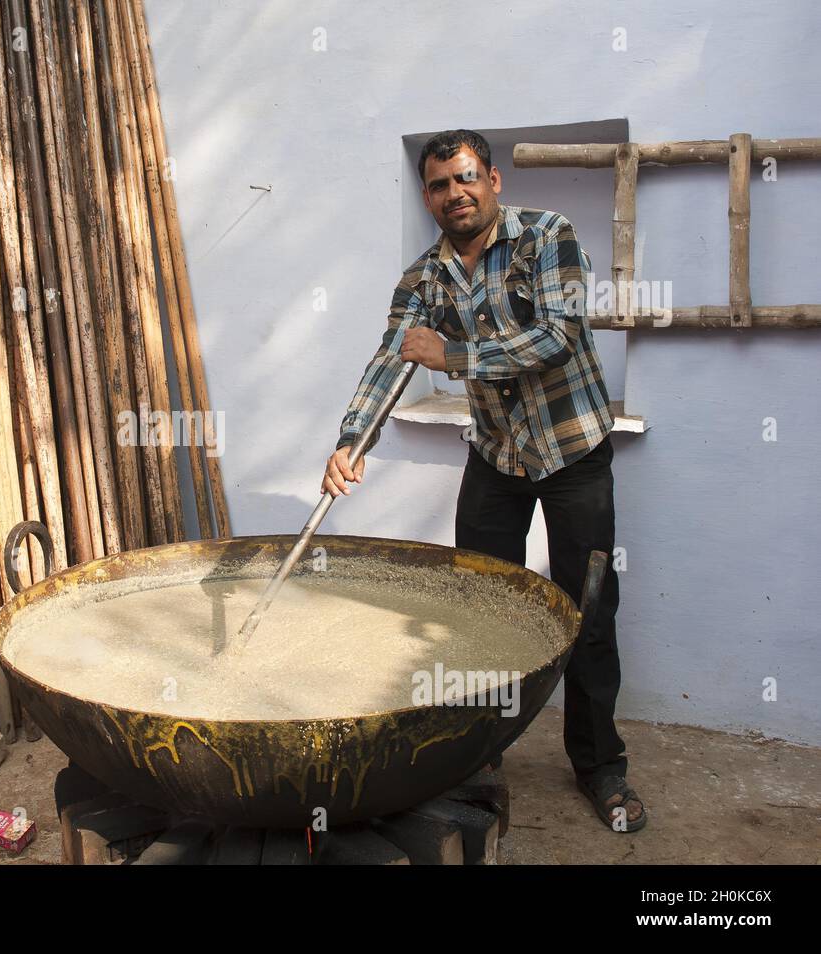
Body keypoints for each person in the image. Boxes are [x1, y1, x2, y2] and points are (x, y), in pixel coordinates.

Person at [323, 129, 645, 832]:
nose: (453, 194)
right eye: (438, 185)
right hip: (496, 460)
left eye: (465, 178)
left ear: (492, 181)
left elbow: (558, 337)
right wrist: (353, 440)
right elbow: (391, 361)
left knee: (587, 613)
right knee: (476, 612)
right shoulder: (422, 279)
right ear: (428, 196)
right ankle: (479, 760)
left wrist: (456, 355)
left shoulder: (546, 236)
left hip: (572, 455)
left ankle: (600, 767)